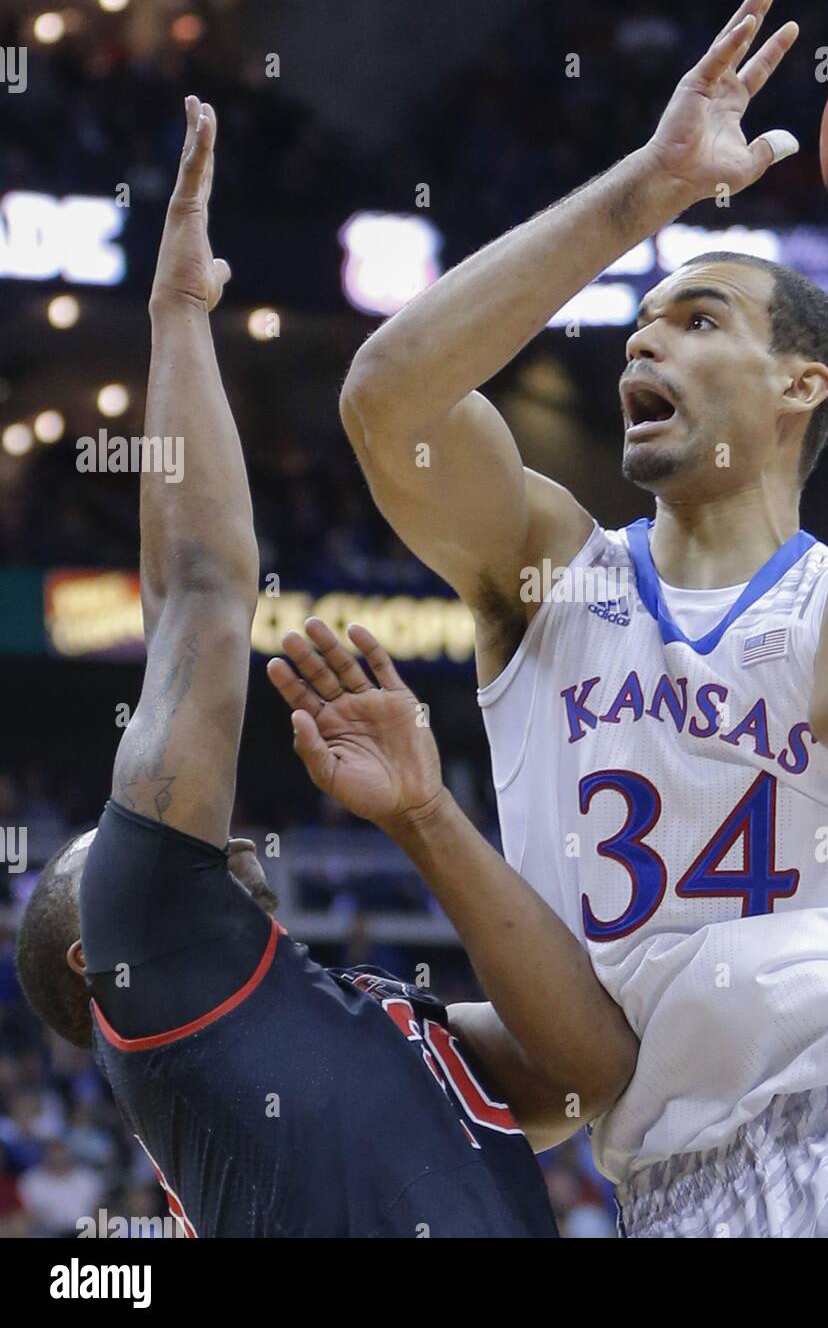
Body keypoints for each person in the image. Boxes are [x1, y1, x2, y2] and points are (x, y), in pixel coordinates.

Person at [337, 0, 828, 1236]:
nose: (644, 347)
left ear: (802, 381)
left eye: (697, 321)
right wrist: (646, 193)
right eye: (637, 327)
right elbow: (389, 402)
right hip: (671, 1187)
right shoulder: (546, 579)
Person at [14, 97, 636, 1238]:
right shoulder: (157, 962)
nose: (219, 833)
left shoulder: (387, 1017)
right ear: (102, 955)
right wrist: (180, 314)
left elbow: (595, 1070)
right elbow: (201, 591)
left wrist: (424, 817)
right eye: (135, 860)